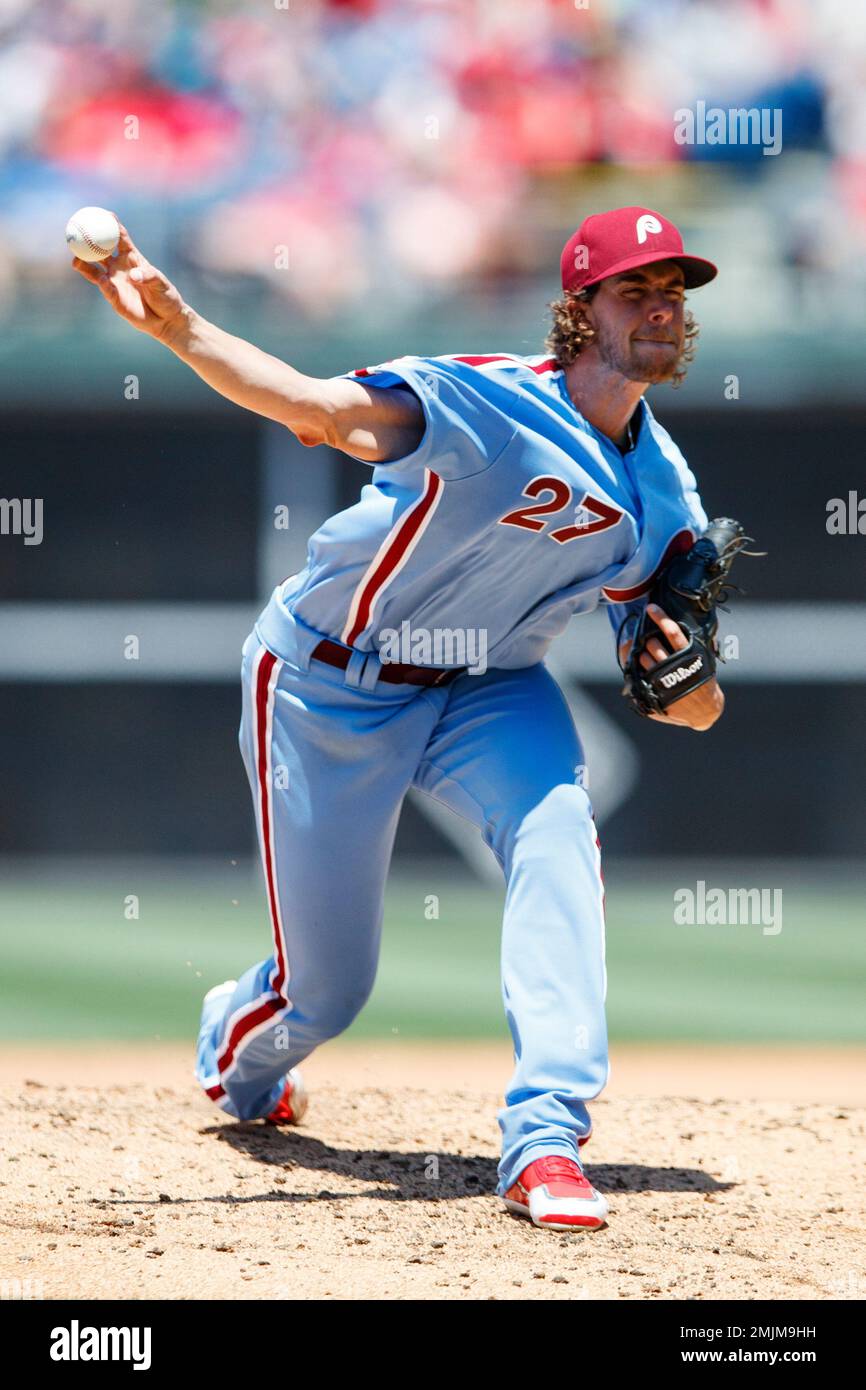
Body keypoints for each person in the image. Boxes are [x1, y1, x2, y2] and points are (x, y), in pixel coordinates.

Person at [72, 204, 722, 1232]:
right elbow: (313, 408)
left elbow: (691, 707)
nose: (657, 309)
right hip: (330, 682)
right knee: (326, 990)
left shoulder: (663, 493)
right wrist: (178, 329)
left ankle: (546, 1132)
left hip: (488, 687)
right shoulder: (482, 402)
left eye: (671, 295)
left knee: (557, 832)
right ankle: (237, 1046)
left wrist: (687, 683)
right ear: (578, 309)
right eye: (632, 290)